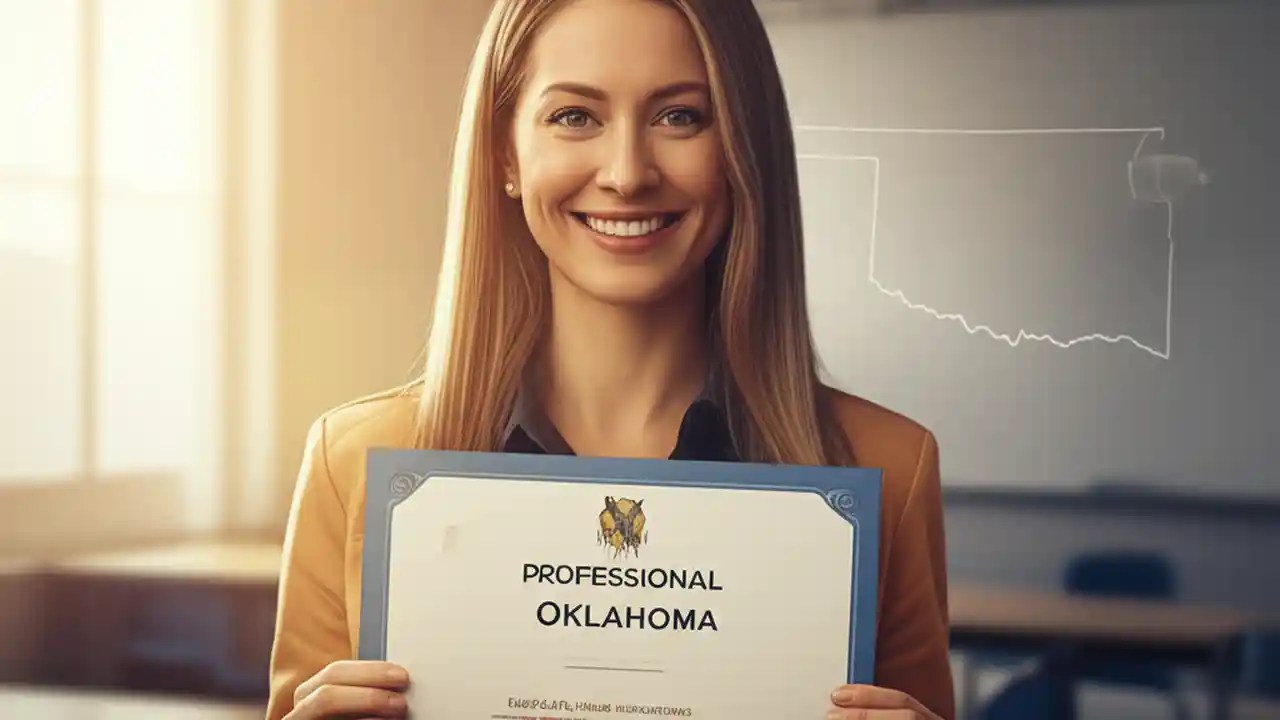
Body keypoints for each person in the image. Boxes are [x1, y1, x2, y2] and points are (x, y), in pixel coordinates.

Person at [266, 0, 954, 718]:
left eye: (681, 116)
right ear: (505, 154)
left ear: (743, 149)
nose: (627, 173)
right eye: (574, 117)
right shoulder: (352, 464)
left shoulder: (890, 468)